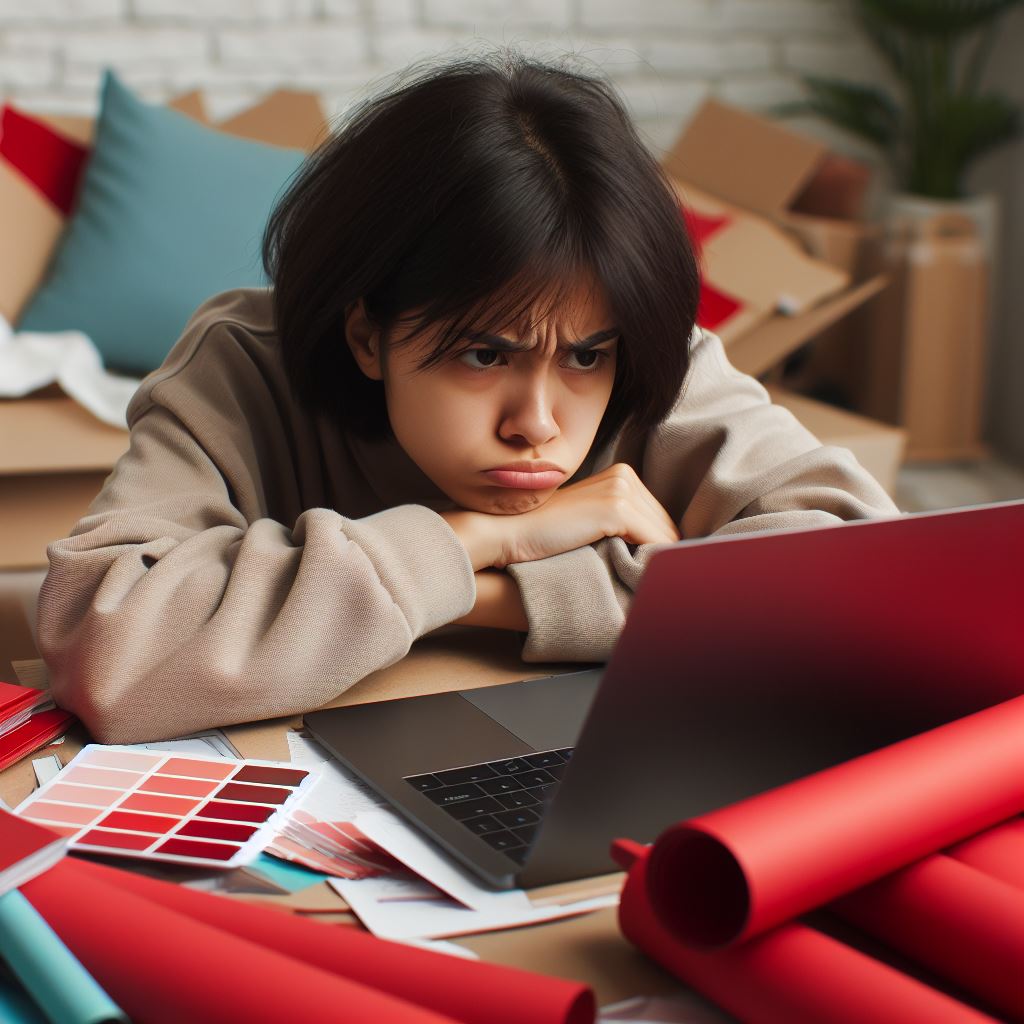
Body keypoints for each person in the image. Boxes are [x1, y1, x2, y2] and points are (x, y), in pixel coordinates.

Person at [35, 50, 899, 744]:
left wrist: (485, 587)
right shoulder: (241, 367)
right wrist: (482, 537)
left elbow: (874, 586)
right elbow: (110, 651)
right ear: (367, 334)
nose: (538, 423)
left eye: (584, 359)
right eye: (485, 355)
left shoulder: (651, 358)